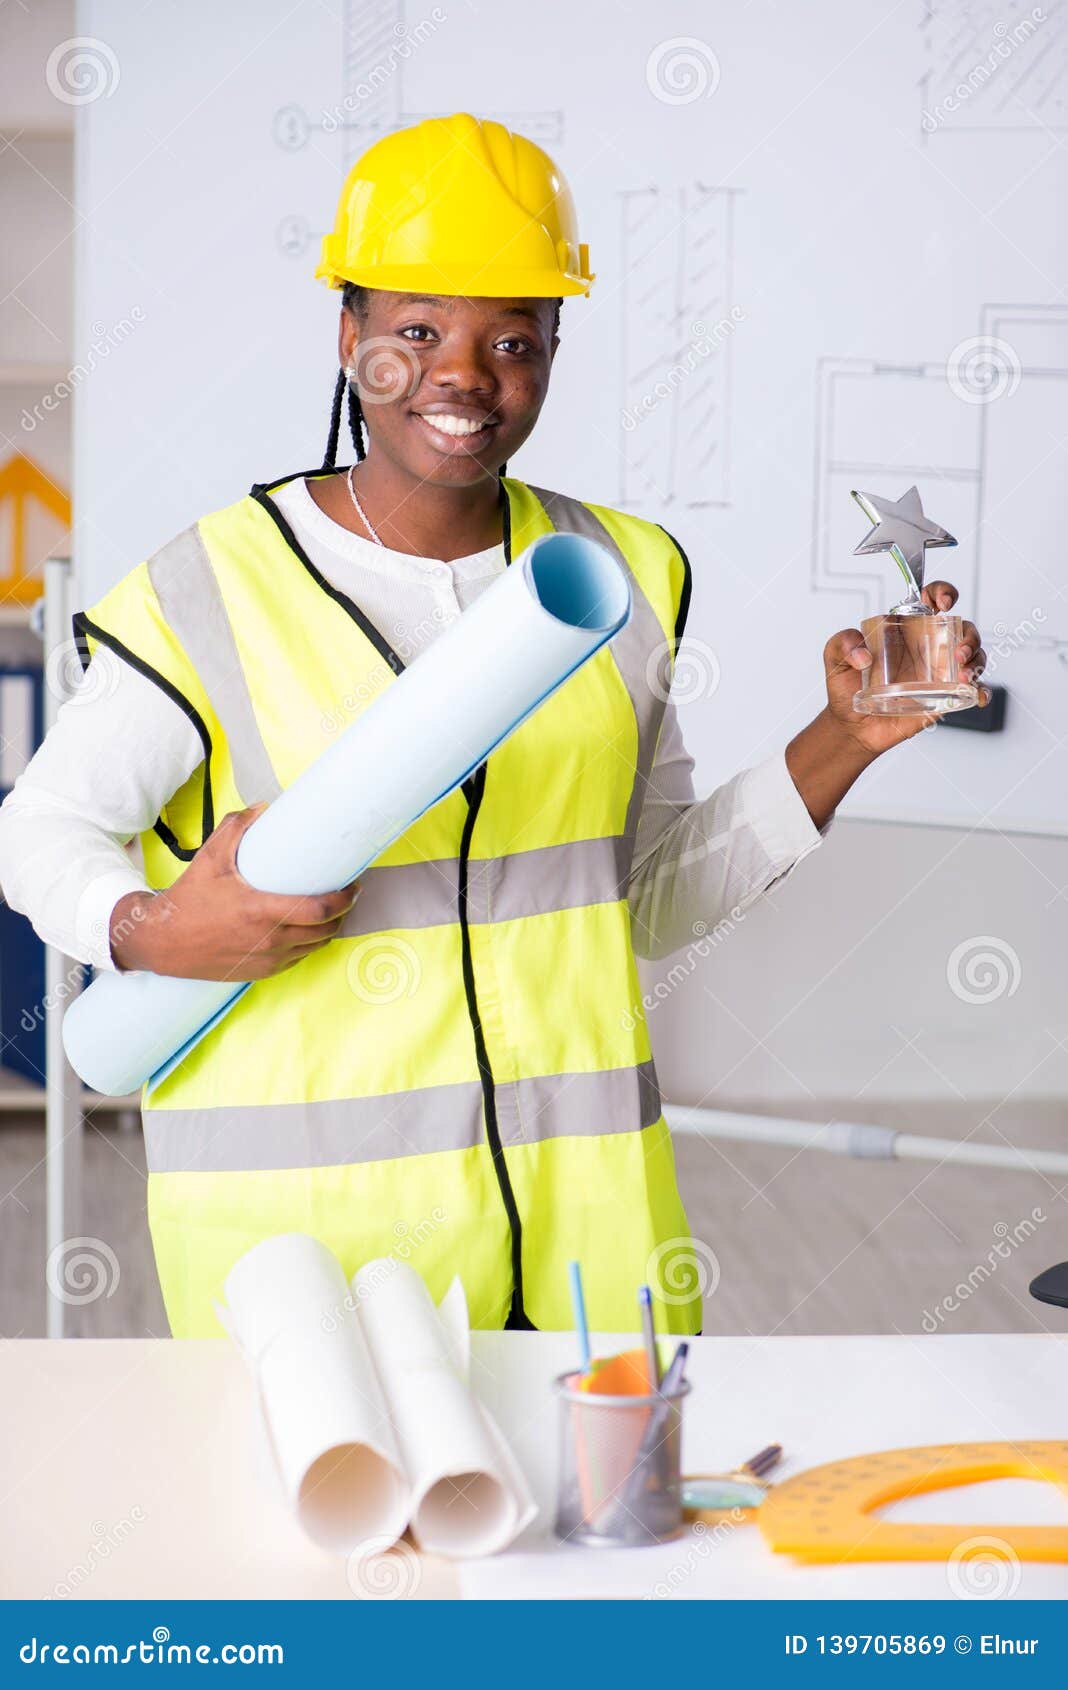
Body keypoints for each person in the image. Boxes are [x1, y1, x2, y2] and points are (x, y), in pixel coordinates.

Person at [0, 113, 987, 1338]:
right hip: (315, 1269)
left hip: (586, 1251)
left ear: (555, 349)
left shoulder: (618, 573)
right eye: (417, 330)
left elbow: (648, 899)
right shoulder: (210, 588)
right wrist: (145, 926)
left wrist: (843, 736)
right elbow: (41, 826)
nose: (465, 374)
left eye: (512, 338)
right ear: (350, 337)